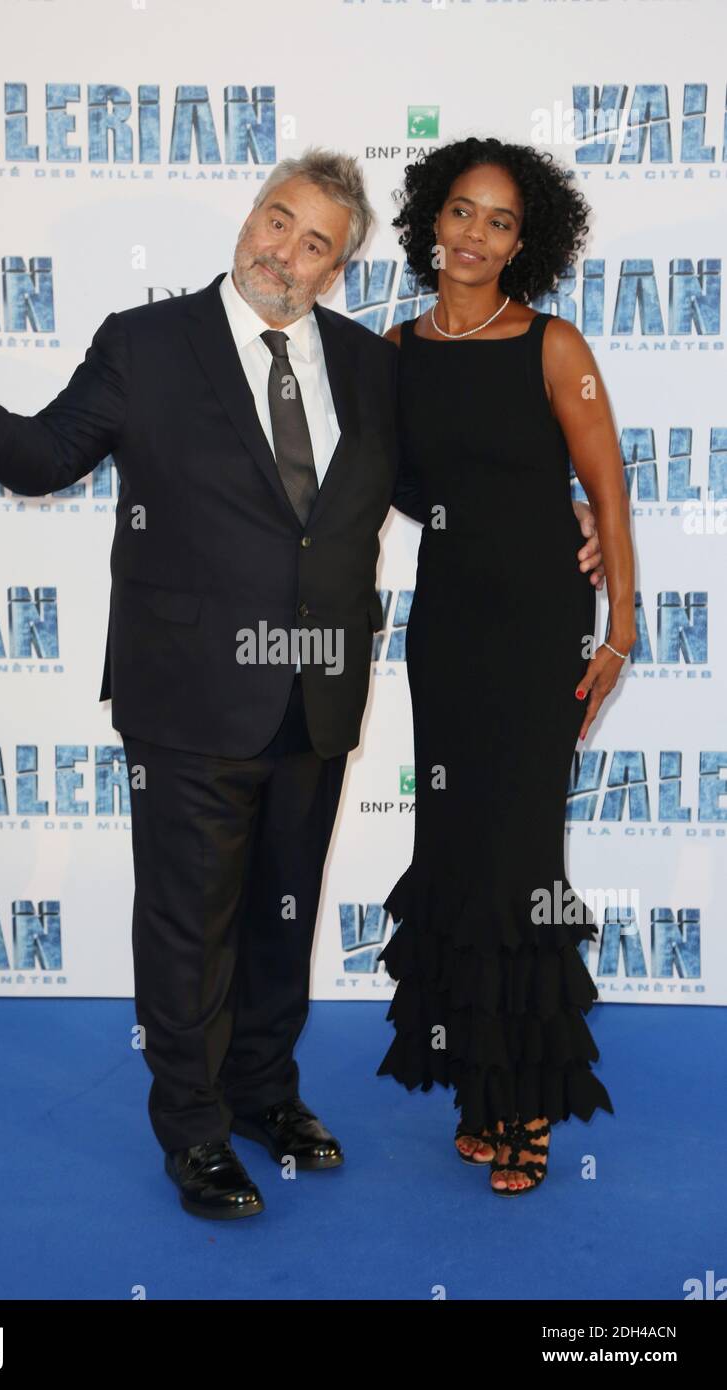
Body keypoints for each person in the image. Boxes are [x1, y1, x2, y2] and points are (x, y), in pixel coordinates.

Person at [0, 147, 602, 1221]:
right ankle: (195, 1129)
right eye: (277, 221)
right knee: (187, 924)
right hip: (187, 698)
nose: (286, 252)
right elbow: (48, 454)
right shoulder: (146, 342)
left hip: (315, 695)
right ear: (248, 218)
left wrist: (557, 514)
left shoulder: (366, 364)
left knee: (280, 917)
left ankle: (265, 1093)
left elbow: (442, 477)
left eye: (316, 244)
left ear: (337, 268)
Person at [377, 136, 635, 1196]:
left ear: (525, 242)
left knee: (520, 860)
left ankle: (523, 1101)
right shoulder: (392, 349)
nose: (475, 235)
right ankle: (475, 1085)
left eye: (499, 222)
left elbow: (606, 490)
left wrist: (617, 628)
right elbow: (393, 486)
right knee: (454, 851)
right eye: (460, 213)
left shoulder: (550, 342)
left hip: (537, 631)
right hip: (442, 634)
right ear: (429, 221)